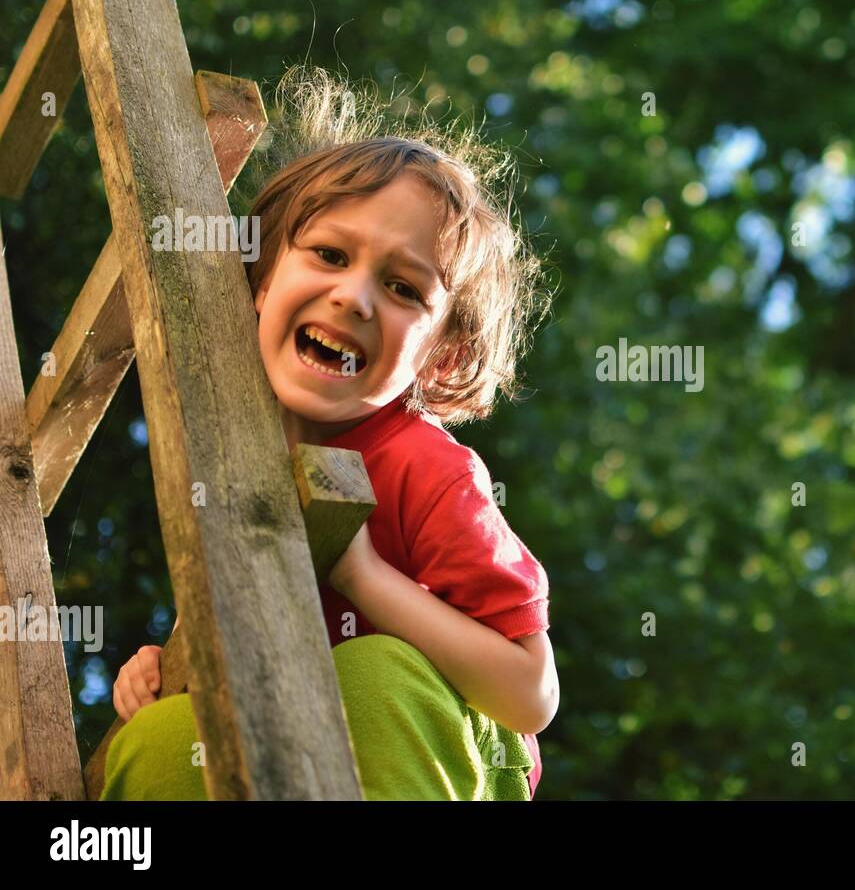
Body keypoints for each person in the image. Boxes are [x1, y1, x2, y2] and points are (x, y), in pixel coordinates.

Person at [102, 67, 557, 801]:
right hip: (295, 736)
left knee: (373, 675)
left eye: (404, 288)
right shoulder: (228, 455)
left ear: (440, 355)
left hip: (452, 747)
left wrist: (363, 575)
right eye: (330, 254)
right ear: (261, 280)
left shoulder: (425, 466)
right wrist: (164, 663)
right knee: (157, 739)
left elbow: (530, 693)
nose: (354, 296)